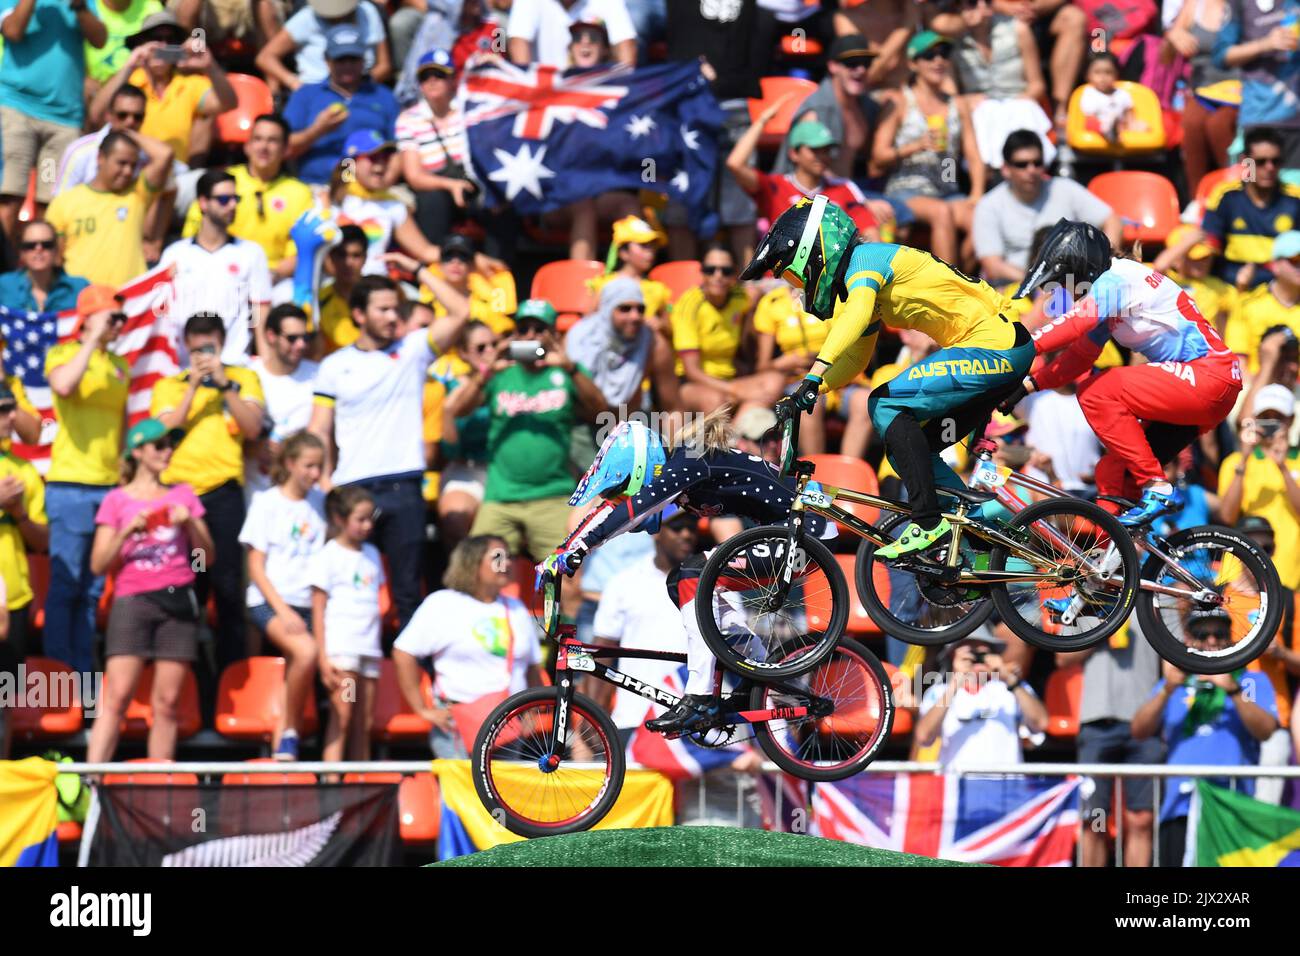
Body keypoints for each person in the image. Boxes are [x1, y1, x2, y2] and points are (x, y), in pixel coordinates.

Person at [748, 195, 1036, 559]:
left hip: (997, 347)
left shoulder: (865, 263)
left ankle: (929, 524)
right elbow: (856, 356)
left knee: (885, 403)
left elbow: (853, 319)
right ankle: (979, 535)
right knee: (910, 453)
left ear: (814, 253)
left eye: (791, 273)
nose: (794, 284)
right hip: (997, 351)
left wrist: (813, 373)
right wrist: (813, 389)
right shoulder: (865, 281)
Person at [539, 411, 835, 733]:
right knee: (680, 581)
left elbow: (631, 511)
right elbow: (612, 509)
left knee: (695, 573)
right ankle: (757, 673)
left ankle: (700, 696)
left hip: (805, 533)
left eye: (626, 484)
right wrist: (562, 550)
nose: (628, 492)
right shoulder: (681, 465)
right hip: (789, 532)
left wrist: (578, 552)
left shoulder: (684, 464)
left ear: (641, 466)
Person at [1003, 220, 1243, 527]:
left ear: (1082, 267)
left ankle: (1157, 487)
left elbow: (1076, 324)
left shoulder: (1116, 279)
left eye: (1065, 282)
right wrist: (1028, 386)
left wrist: (1020, 348)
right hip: (1205, 389)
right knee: (1113, 473)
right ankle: (1104, 561)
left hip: (1209, 376)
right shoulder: (1115, 291)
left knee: (1097, 391)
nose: (1065, 292)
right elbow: (1079, 357)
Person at [308, 273, 470, 631]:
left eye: (396, 308)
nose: (392, 316)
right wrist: (322, 482)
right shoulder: (334, 365)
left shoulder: (412, 350)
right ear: (359, 314)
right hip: (350, 491)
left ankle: (415, 680)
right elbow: (319, 430)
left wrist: (422, 271)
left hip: (403, 487)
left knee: (408, 593)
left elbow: (460, 311)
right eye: (382, 309)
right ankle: (346, 676)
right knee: (349, 594)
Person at [85, 417, 215, 765]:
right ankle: (92, 781)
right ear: (139, 452)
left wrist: (191, 524)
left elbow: (204, 560)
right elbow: (98, 565)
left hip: (177, 600)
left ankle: (161, 788)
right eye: (159, 445)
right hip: (134, 599)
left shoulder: (183, 494)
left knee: (168, 703)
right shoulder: (116, 500)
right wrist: (127, 531)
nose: (167, 451)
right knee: (116, 698)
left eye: (170, 444)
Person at [151, 312, 266, 685]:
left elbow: (252, 428)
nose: (203, 350)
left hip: (222, 497)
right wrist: (193, 388)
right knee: (190, 586)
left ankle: (229, 683)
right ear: (186, 345)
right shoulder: (170, 385)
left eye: (210, 343)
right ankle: (191, 685)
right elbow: (164, 432)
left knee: (228, 587)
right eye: (196, 343)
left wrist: (223, 385)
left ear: (221, 343)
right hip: (182, 500)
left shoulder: (242, 379)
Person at [449, 298, 608, 561]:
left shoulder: (566, 373)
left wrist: (568, 366)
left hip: (552, 498)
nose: (531, 336)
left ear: (555, 335)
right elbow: (460, 410)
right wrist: (488, 369)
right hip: (501, 500)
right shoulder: (500, 373)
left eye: (539, 329)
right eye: (523, 329)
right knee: (484, 569)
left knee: (564, 578)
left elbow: (599, 411)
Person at [1131, 606, 1279, 866]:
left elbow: (1266, 731)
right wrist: (1166, 690)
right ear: (1188, 640)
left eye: (1219, 633)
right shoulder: (1175, 682)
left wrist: (1233, 691)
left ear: (1230, 638)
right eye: (1202, 634)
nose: (1211, 641)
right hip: (1180, 808)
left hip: (1231, 810)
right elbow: (1139, 731)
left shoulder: (1252, 680)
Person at [391, 534, 546, 757]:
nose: (508, 563)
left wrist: (533, 710)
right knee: (461, 792)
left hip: (508, 724)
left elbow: (532, 666)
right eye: (498, 557)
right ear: (472, 562)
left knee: (503, 792)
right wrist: (422, 710)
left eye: (509, 557)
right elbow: (403, 653)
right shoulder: (442, 603)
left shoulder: (516, 608)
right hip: (458, 726)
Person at [44, 286, 131, 673]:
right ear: (89, 318)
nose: (118, 325)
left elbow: (123, 422)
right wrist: (91, 337)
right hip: (71, 485)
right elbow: (64, 385)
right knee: (67, 586)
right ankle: (57, 682)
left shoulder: (120, 365)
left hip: (107, 487)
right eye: (111, 317)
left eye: (119, 319)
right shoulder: (62, 353)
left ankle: (83, 680)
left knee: (93, 589)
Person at [240, 432, 328, 761]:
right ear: (289, 464)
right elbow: (255, 565)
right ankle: (291, 729)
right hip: (269, 601)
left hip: (309, 603)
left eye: (319, 467)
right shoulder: (267, 502)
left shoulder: (320, 503)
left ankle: (282, 751)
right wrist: (283, 611)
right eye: (308, 466)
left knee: (299, 664)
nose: (315, 474)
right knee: (305, 652)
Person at [397, 48, 519, 268]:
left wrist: (496, 59)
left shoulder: (471, 109)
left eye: (439, 75)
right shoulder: (408, 119)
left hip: (474, 181)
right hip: (436, 187)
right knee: (433, 201)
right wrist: (451, 185)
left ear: (453, 80)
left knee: (498, 201)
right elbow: (414, 176)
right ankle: (435, 273)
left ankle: (501, 273)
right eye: (425, 77)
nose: (432, 81)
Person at [872, 30, 984, 267]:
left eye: (944, 54)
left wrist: (976, 195)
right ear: (913, 63)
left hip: (948, 188)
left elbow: (974, 156)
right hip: (907, 189)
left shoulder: (958, 104)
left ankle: (961, 279)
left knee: (983, 221)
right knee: (942, 212)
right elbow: (878, 156)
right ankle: (947, 289)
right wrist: (916, 146)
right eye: (929, 55)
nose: (938, 61)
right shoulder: (900, 101)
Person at [1057, 619, 1163, 866]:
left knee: (1142, 819)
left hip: (1144, 724)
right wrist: (1104, 630)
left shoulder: (1153, 596)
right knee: (1094, 819)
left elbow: (1174, 660)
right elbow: (1063, 658)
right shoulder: (1083, 600)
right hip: (1097, 723)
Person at [0, 0, 107, 242]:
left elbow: (99, 40)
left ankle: (40, 267)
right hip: (17, 111)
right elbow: (13, 31)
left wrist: (80, 7)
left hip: (61, 121)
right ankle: (4, 269)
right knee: (9, 195)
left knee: (48, 199)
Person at [591, 510, 698, 742]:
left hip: (696, 722)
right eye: (677, 528)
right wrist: (591, 724)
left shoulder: (714, 583)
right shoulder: (624, 583)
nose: (687, 534)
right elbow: (602, 654)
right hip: (633, 719)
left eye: (691, 528)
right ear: (656, 532)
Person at [179, 114, 315, 291]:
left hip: (274, 278)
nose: (264, 147)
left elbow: (301, 248)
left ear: (286, 149)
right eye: (257, 139)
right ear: (247, 146)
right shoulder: (224, 182)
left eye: (272, 140)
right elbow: (194, 230)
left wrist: (272, 275)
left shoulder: (300, 193)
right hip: (218, 272)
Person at [1156, 129, 1300, 290]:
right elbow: (1209, 243)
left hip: (1280, 287)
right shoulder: (1225, 196)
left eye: (1276, 161)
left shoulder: (1295, 198)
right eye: (1260, 162)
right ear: (1246, 162)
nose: (1269, 167)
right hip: (1228, 285)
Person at [89, 11, 237, 166]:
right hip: (131, 170)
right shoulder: (127, 80)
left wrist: (210, 65)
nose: (163, 45)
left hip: (175, 175)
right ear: (141, 43)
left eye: (170, 40)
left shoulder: (190, 84)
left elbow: (229, 104)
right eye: (155, 38)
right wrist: (130, 64)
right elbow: (96, 114)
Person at [972, 130, 1121, 284]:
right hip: (1015, 289)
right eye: (1022, 165)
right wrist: (1039, 282)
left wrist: (1103, 264)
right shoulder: (988, 205)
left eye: (1037, 163)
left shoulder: (1065, 188)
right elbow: (993, 266)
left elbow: (1112, 220)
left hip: (1070, 286)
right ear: (1005, 169)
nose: (1031, 170)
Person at [161, 168, 273, 364]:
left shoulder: (252, 253)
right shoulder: (174, 254)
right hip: (184, 367)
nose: (232, 206)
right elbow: (162, 314)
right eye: (223, 199)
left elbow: (259, 313)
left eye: (235, 199)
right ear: (203, 203)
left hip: (234, 364)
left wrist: (264, 364)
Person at [309, 484, 383, 763]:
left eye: (370, 519)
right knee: (342, 719)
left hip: (370, 648)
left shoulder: (372, 554)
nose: (367, 525)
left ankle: (360, 788)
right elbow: (318, 609)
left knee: (364, 725)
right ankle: (333, 790)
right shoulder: (328, 555)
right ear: (340, 519)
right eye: (360, 519)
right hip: (344, 649)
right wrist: (323, 656)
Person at [45, 129, 173, 287]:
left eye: (133, 165)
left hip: (130, 298)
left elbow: (165, 154)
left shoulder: (137, 194)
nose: (127, 171)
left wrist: (126, 131)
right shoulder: (64, 202)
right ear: (100, 158)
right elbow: (55, 259)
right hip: (82, 299)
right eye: (122, 163)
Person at [0, 219, 87, 445]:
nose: (38, 250)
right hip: (16, 387)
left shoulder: (80, 289)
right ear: (20, 251)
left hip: (68, 389)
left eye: (46, 244)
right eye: (30, 245)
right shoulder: (3, 286)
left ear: (57, 249)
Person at [671, 244, 785, 413]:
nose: (718, 276)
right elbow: (691, 371)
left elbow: (756, 294)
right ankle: (734, 435)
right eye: (711, 270)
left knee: (775, 381)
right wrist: (734, 390)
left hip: (731, 379)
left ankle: (736, 435)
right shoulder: (689, 306)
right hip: (694, 384)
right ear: (702, 273)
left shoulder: (740, 297)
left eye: (726, 271)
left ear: (734, 275)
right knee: (716, 400)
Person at [284, 24, 401, 187]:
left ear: (364, 59)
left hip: (373, 187)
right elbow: (284, 150)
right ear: (327, 60)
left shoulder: (384, 96)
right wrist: (318, 130)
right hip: (317, 186)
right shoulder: (305, 95)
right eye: (340, 59)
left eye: (353, 59)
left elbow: (398, 149)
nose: (347, 65)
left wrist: (385, 183)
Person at [728, 114, 879, 239]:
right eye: (815, 150)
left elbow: (871, 234)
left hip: (831, 274)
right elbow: (735, 164)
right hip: (781, 274)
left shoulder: (843, 188)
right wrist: (761, 122)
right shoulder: (775, 186)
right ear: (794, 154)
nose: (822, 156)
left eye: (826, 150)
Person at [915, 632, 1048, 770]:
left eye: (983, 653)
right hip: (958, 786)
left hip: (1005, 787)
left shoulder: (1012, 689)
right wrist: (955, 683)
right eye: (970, 653)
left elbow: (1040, 723)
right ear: (953, 655)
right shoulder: (939, 692)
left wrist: (1009, 679)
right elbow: (924, 737)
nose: (977, 658)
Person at [1219, 384, 1300, 590]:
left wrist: (1282, 466)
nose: (1271, 425)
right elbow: (1227, 516)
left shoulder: (1297, 461)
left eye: (1278, 418)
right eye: (1265, 418)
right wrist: (1245, 458)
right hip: (1240, 576)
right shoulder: (1235, 462)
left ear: (1290, 420)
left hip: (1289, 574)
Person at [326, 130, 441, 276]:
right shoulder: (327, 200)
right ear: (350, 163)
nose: (381, 164)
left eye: (385, 157)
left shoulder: (394, 206)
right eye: (373, 157)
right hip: (332, 287)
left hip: (377, 285)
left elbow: (426, 252)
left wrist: (466, 254)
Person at [568, 275, 682, 414]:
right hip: (581, 425)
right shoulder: (579, 339)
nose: (635, 317)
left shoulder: (652, 342)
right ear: (607, 309)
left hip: (630, 424)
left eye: (640, 309)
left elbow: (673, 409)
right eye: (625, 308)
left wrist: (674, 435)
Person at [430, 320, 496, 547]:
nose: (490, 352)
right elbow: (450, 449)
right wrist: (450, 411)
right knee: (455, 520)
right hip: (466, 469)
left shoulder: (512, 380)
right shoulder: (453, 389)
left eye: (494, 344)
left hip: (505, 470)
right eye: (481, 348)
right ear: (463, 353)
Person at [1215, 0, 1300, 169]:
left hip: (1295, 124)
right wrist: (1265, 44)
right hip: (1255, 120)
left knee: (1295, 191)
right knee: (1250, 187)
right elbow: (1221, 56)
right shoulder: (1239, 4)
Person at [248, 304, 320, 495]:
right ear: (271, 336)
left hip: (304, 494)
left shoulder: (319, 375)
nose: (301, 345)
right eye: (292, 338)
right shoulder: (248, 373)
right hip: (255, 492)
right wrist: (257, 448)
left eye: (305, 337)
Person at [0, 383, 48, 670]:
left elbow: (43, 543)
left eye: (12, 409)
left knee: (8, 702)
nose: (12, 417)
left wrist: (19, 513)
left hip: (15, 597)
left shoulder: (25, 470)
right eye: (2, 410)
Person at [1165, 0, 1236, 193]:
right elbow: (1165, 57)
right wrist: (1173, 36)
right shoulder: (1194, 5)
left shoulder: (1245, 6)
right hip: (1203, 89)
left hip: (1238, 87)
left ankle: (1235, 192)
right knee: (1192, 122)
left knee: (1218, 125)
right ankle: (1197, 199)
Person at [257, 0, 391, 92]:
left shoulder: (368, 12)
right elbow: (265, 57)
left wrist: (359, 85)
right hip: (314, 89)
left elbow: (384, 65)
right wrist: (294, 83)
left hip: (363, 89)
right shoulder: (306, 17)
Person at [1223, 232, 1300, 379]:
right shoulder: (1248, 304)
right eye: (1295, 260)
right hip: (1255, 387)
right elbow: (1239, 362)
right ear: (1275, 265)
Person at [419, 233, 517, 336]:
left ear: (472, 265)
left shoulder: (484, 309)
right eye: (448, 256)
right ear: (439, 264)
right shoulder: (427, 307)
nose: (455, 262)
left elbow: (505, 331)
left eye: (463, 257)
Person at [587, 216, 673, 328]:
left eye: (652, 246)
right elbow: (587, 322)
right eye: (643, 246)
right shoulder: (604, 285)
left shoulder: (658, 289)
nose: (650, 251)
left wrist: (660, 325)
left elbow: (670, 328)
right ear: (623, 252)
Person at [506, 0, 638, 68]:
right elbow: (518, 42)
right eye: (578, 38)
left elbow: (625, 45)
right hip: (544, 94)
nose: (585, 42)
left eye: (592, 38)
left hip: (593, 92)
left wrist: (622, 88)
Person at [1163, 223, 1235, 337]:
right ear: (1176, 260)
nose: (1203, 262)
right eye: (1196, 258)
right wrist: (1186, 243)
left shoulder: (1218, 286)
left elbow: (1238, 312)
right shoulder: (1165, 281)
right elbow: (1160, 266)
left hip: (1206, 350)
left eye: (1206, 257)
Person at [316, 224, 367, 354]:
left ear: (365, 258)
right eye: (342, 255)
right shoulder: (317, 300)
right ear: (331, 257)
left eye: (356, 255)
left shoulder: (380, 296)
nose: (348, 262)